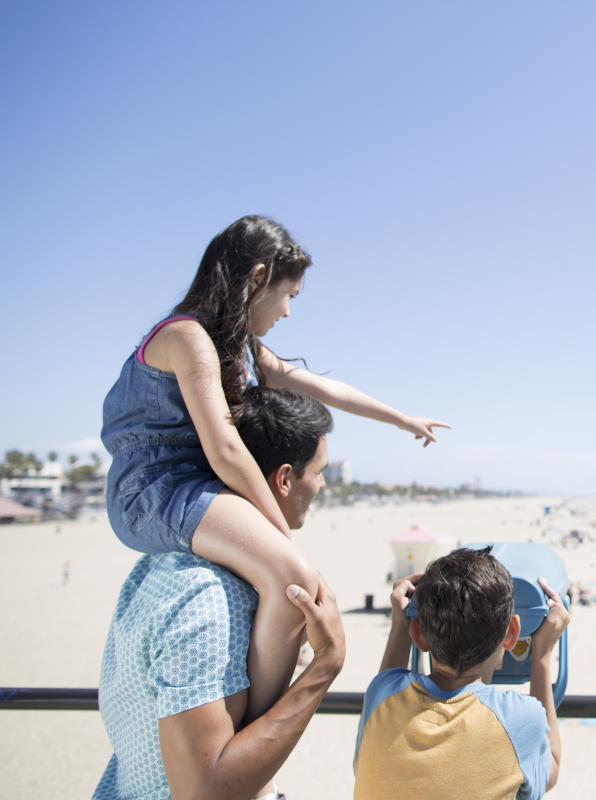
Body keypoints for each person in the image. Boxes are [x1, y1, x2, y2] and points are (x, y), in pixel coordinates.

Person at [100, 215, 450, 723]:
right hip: (155, 490)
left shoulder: (237, 347)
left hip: (201, 488)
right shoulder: (187, 337)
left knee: (288, 576)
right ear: (257, 279)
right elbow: (224, 449)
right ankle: (254, 734)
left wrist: (402, 419)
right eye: (289, 295)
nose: (287, 312)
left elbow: (322, 388)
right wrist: (283, 535)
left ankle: (252, 720)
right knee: (292, 574)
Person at [94, 387, 343, 800]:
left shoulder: (164, 561)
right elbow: (203, 791)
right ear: (284, 478)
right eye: (319, 472)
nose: (321, 486)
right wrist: (325, 666)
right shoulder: (208, 597)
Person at [354, 547, 570, 800]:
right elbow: (549, 769)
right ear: (512, 633)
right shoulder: (520, 718)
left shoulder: (383, 696)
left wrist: (400, 624)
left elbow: (390, 672)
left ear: (418, 635)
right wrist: (542, 655)